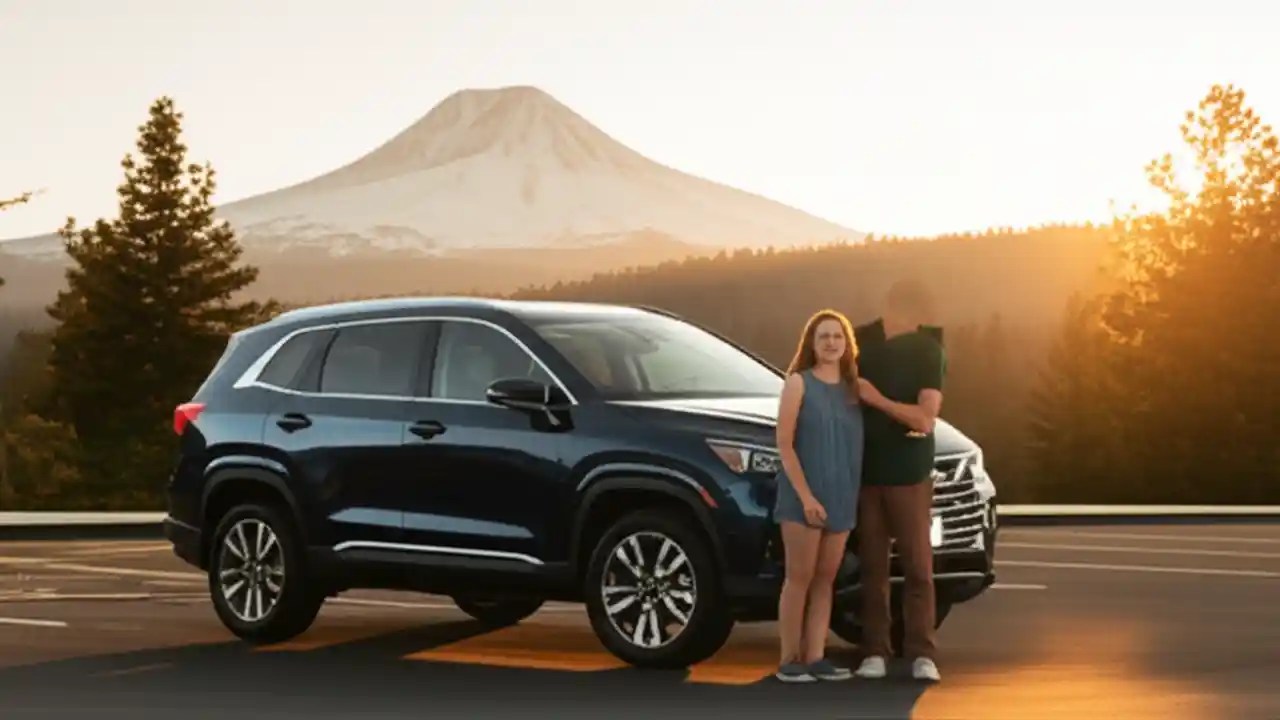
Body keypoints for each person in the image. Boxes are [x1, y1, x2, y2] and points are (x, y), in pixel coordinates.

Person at [851, 279, 947, 682]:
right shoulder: (860, 342)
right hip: (866, 472)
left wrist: (877, 399)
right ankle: (874, 650)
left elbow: (925, 419)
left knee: (917, 566)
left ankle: (921, 652)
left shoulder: (928, 350)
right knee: (872, 567)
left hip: (909, 474)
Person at [772, 309, 865, 683]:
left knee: (826, 580)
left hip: (842, 498)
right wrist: (806, 497)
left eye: (837, 336)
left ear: (847, 345)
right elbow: (784, 443)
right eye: (824, 336)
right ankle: (789, 659)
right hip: (803, 500)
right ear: (812, 342)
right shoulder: (798, 383)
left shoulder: (854, 391)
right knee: (800, 578)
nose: (831, 342)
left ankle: (816, 656)